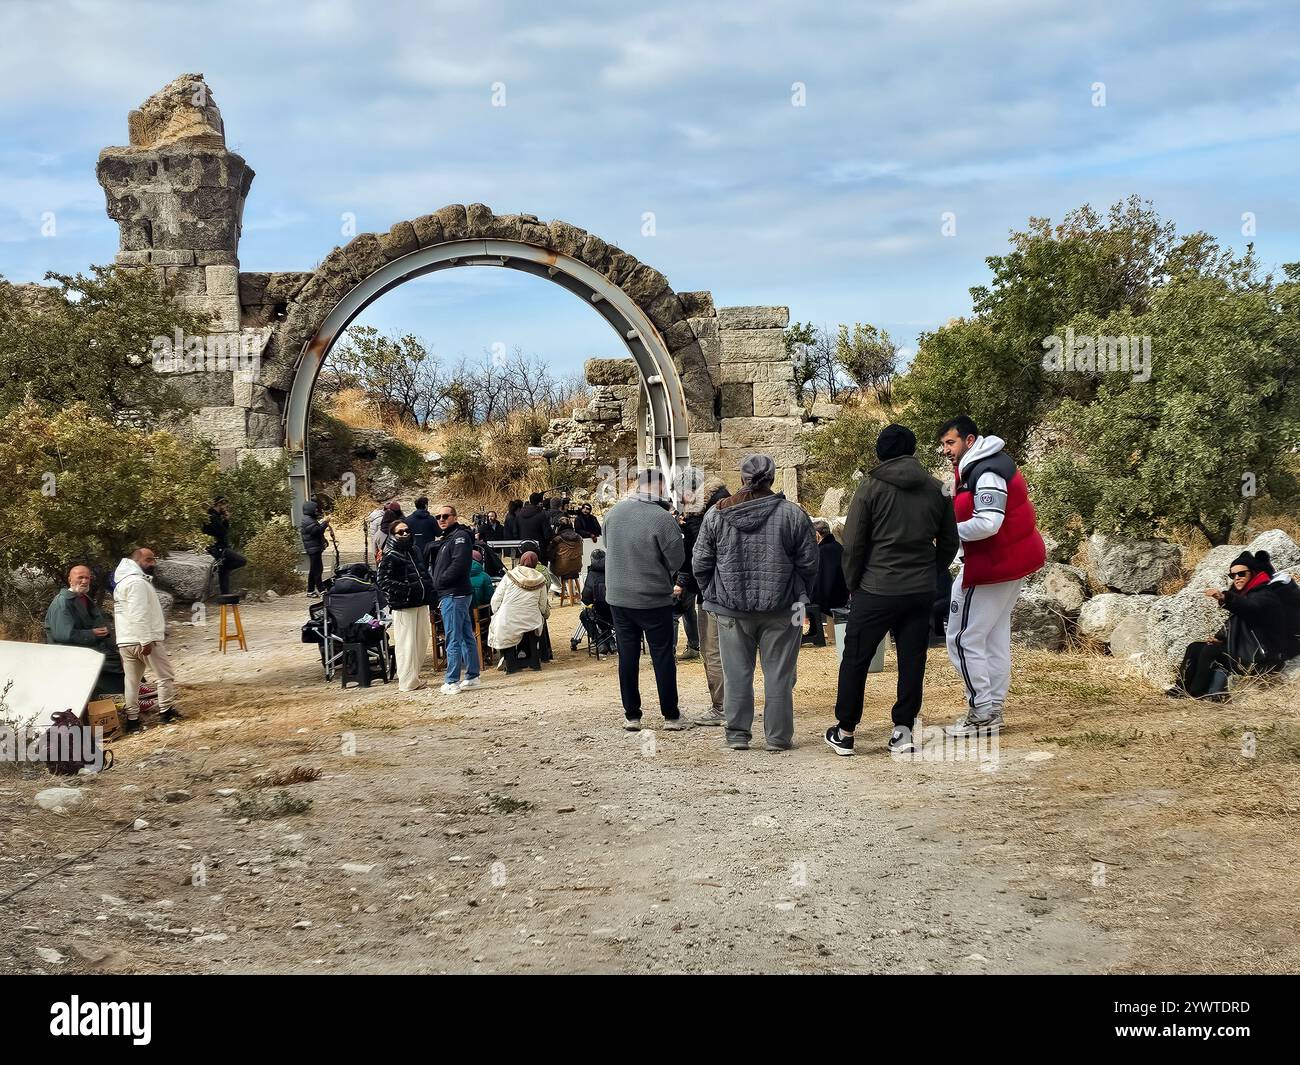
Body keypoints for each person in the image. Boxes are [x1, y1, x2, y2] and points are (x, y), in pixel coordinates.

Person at [824, 425, 960, 757]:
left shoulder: (869, 489)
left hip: (876, 588)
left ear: (880, 453)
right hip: (919, 590)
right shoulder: (938, 489)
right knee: (912, 660)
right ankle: (903, 731)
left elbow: (853, 544)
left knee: (856, 659)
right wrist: (931, 572)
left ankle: (845, 732)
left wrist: (854, 584)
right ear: (912, 450)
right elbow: (950, 541)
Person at [693, 453, 817, 752]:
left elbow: (700, 562)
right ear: (772, 478)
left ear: (742, 478)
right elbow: (809, 563)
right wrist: (799, 593)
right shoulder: (792, 514)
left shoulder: (716, 515)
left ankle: (737, 735)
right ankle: (777, 738)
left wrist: (714, 593)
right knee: (779, 675)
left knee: (736, 675)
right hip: (783, 608)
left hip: (729, 609)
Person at [938, 416, 1046, 737]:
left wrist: (945, 534)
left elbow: (988, 522)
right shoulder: (982, 465)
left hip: (992, 566)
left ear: (969, 441)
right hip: (1010, 562)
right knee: (994, 637)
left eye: (950, 443)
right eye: (943, 444)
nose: (945, 450)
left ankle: (983, 711)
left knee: (962, 638)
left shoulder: (986, 472)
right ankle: (992, 709)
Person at [603, 467, 688, 731]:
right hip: (653, 598)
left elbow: (608, 545)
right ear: (660, 487)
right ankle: (671, 715)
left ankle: (632, 715)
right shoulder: (662, 518)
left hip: (618, 597)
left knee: (627, 656)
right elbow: (677, 559)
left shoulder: (613, 513)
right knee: (662, 655)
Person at [1171, 550, 1290, 699]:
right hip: (1246, 650)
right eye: (1232, 575)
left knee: (1211, 651)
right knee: (1194, 647)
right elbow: (1239, 621)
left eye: (1241, 574)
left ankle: (1197, 693)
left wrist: (1224, 596)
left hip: (1262, 657)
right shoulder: (1247, 594)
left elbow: (1250, 607)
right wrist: (1221, 638)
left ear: (1253, 573)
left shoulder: (1264, 593)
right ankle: (1180, 689)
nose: (1237, 578)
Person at [675, 468, 731, 724]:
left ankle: (722, 708)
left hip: (713, 592)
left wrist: (684, 581)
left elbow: (698, 558)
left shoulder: (702, 516)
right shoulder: (727, 502)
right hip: (735, 591)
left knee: (713, 650)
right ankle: (736, 701)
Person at [113, 547, 180, 731]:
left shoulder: (122, 582)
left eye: (153, 559)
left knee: (132, 681)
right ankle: (166, 713)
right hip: (142, 639)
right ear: (136, 561)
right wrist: (145, 640)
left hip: (125, 640)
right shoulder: (136, 583)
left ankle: (133, 720)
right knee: (165, 676)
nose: (153, 563)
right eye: (149, 560)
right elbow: (139, 613)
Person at [44, 564, 131, 698]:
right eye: (80, 577)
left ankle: (132, 691)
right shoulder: (62, 602)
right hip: (69, 651)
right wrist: (93, 634)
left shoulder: (83, 597)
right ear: (70, 580)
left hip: (84, 646)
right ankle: (127, 692)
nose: (84, 581)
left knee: (124, 655)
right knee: (114, 661)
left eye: (87, 578)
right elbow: (63, 635)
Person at [375, 520, 434, 693]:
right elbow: (382, 581)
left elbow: (423, 573)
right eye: (400, 532)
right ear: (393, 535)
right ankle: (407, 682)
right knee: (406, 644)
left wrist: (429, 591)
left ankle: (414, 678)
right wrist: (406, 590)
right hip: (403, 605)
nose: (405, 534)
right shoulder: (390, 554)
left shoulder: (414, 550)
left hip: (421, 602)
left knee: (421, 641)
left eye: (407, 530)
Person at [428, 504, 481, 694]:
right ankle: (473, 675)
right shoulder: (449, 538)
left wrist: (440, 582)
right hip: (455, 592)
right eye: (438, 516)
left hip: (453, 593)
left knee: (453, 636)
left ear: (454, 517)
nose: (441, 519)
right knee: (466, 634)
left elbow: (459, 564)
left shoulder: (459, 537)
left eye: (445, 516)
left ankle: (452, 680)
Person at [488, 550, 551, 668]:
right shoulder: (540, 578)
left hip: (508, 619)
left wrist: (497, 612)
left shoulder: (510, 575)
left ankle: (507, 659)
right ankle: (531, 659)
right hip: (532, 620)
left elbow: (496, 600)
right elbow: (542, 605)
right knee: (532, 627)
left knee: (500, 622)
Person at [805, 520, 849, 646]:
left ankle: (803, 632)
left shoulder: (823, 550)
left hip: (829, 594)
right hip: (840, 592)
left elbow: (820, 578)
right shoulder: (837, 546)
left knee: (800, 598)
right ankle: (813, 629)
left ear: (817, 534)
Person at [202, 496, 247, 596]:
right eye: (225, 505)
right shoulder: (212, 517)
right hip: (217, 548)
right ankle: (221, 566)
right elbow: (223, 532)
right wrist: (226, 520)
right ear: (219, 504)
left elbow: (223, 532)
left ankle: (225, 596)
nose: (226, 508)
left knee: (225, 569)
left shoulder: (215, 516)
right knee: (242, 561)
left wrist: (225, 520)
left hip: (220, 547)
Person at [299, 500, 330, 598]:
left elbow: (316, 531)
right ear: (310, 510)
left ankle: (310, 590)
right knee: (318, 569)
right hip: (313, 548)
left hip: (315, 547)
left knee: (313, 569)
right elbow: (316, 531)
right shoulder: (307, 520)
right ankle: (321, 590)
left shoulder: (309, 519)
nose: (317, 511)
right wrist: (325, 522)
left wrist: (324, 541)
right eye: (315, 509)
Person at [581, 548, 612, 623]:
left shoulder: (591, 575)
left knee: (584, 615)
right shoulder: (614, 571)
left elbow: (586, 599)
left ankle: (598, 634)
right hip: (619, 613)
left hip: (601, 615)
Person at [404, 496, 439, 561]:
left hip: (413, 550)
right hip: (429, 551)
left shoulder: (407, 519)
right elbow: (438, 533)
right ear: (426, 506)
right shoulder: (431, 519)